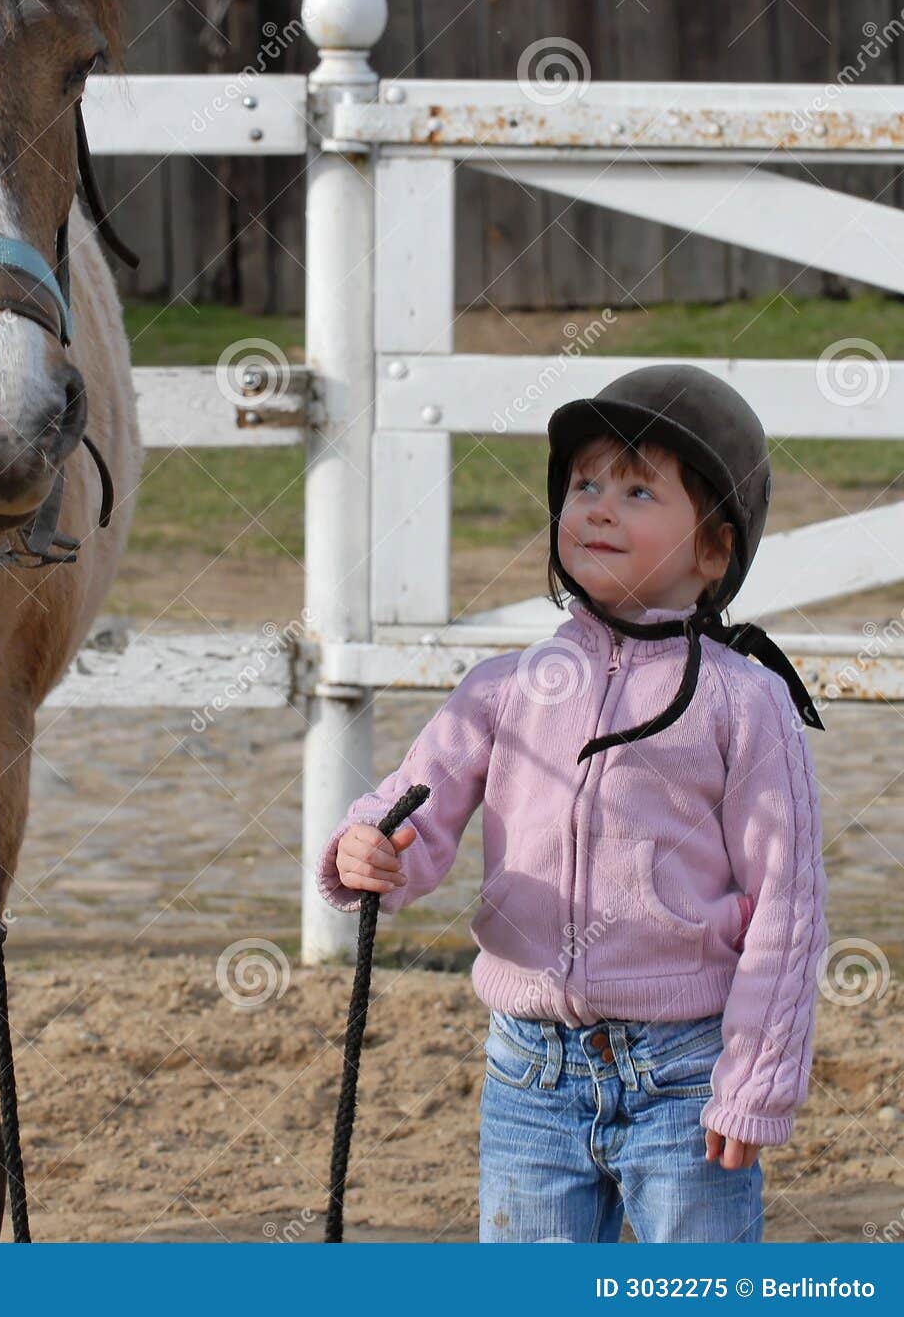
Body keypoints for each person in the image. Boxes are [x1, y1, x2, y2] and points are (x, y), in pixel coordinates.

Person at [317, 364, 828, 1243]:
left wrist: (755, 1081)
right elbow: (413, 805)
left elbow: (788, 903)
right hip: (528, 1071)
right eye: (584, 484)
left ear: (714, 550)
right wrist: (367, 846)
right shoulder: (506, 689)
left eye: (637, 490)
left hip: (686, 1072)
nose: (597, 506)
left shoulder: (745, 703)